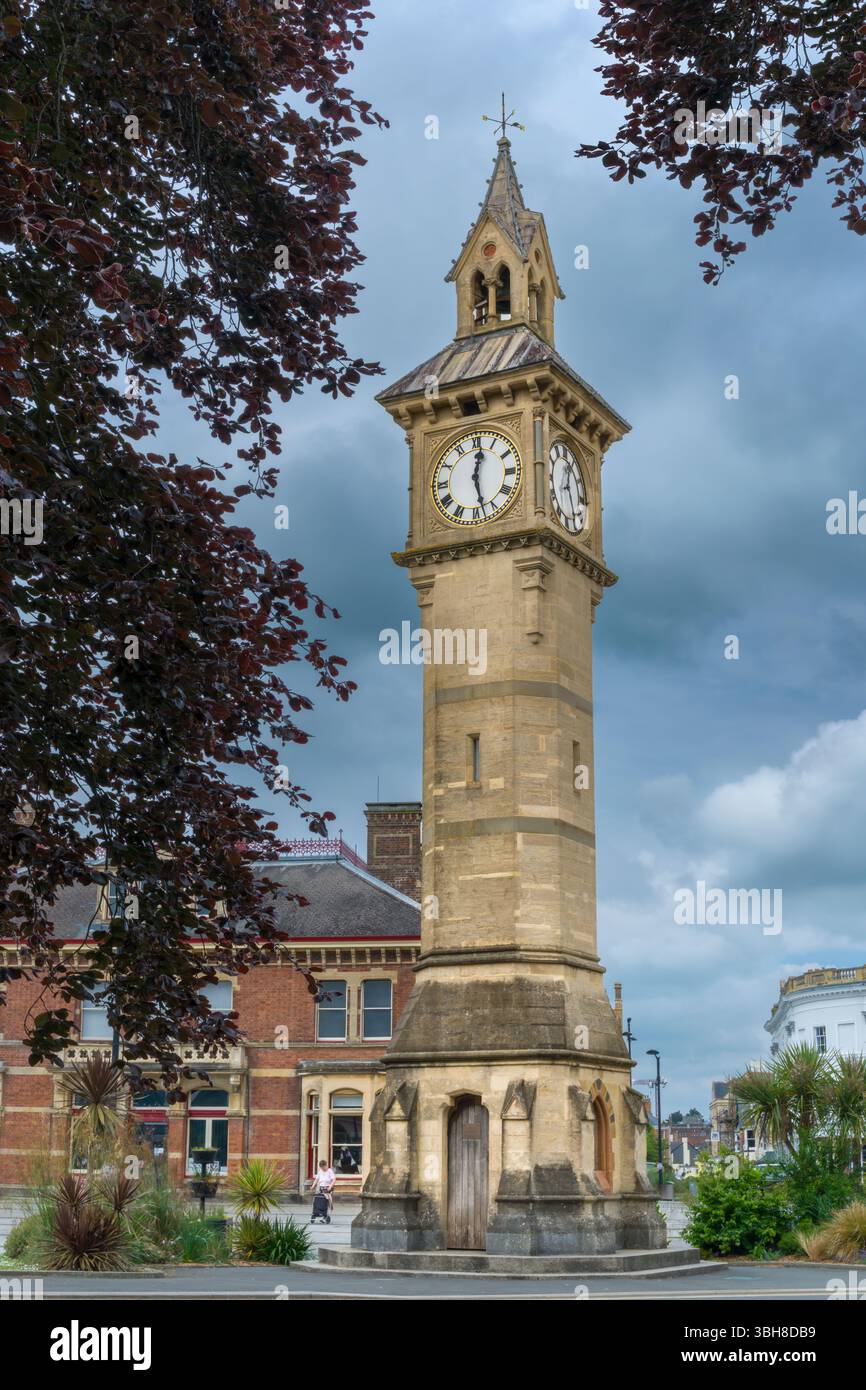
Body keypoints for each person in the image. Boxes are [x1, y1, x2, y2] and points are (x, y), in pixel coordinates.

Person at [307, 1158, 336, 1224]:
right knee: (318, 1199)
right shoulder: (320, 1171)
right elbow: (316, 1180)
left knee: (326, 1201)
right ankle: (317, 1212)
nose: (323, 1169)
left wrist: (330, 1187)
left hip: (328, 1188)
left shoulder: (329, 1171)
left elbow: (334, 1180)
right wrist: (312, 1186)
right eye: (321, 1167)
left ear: (326, 1165)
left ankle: (325, 1215)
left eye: (323, 1167)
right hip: (321, 1187)